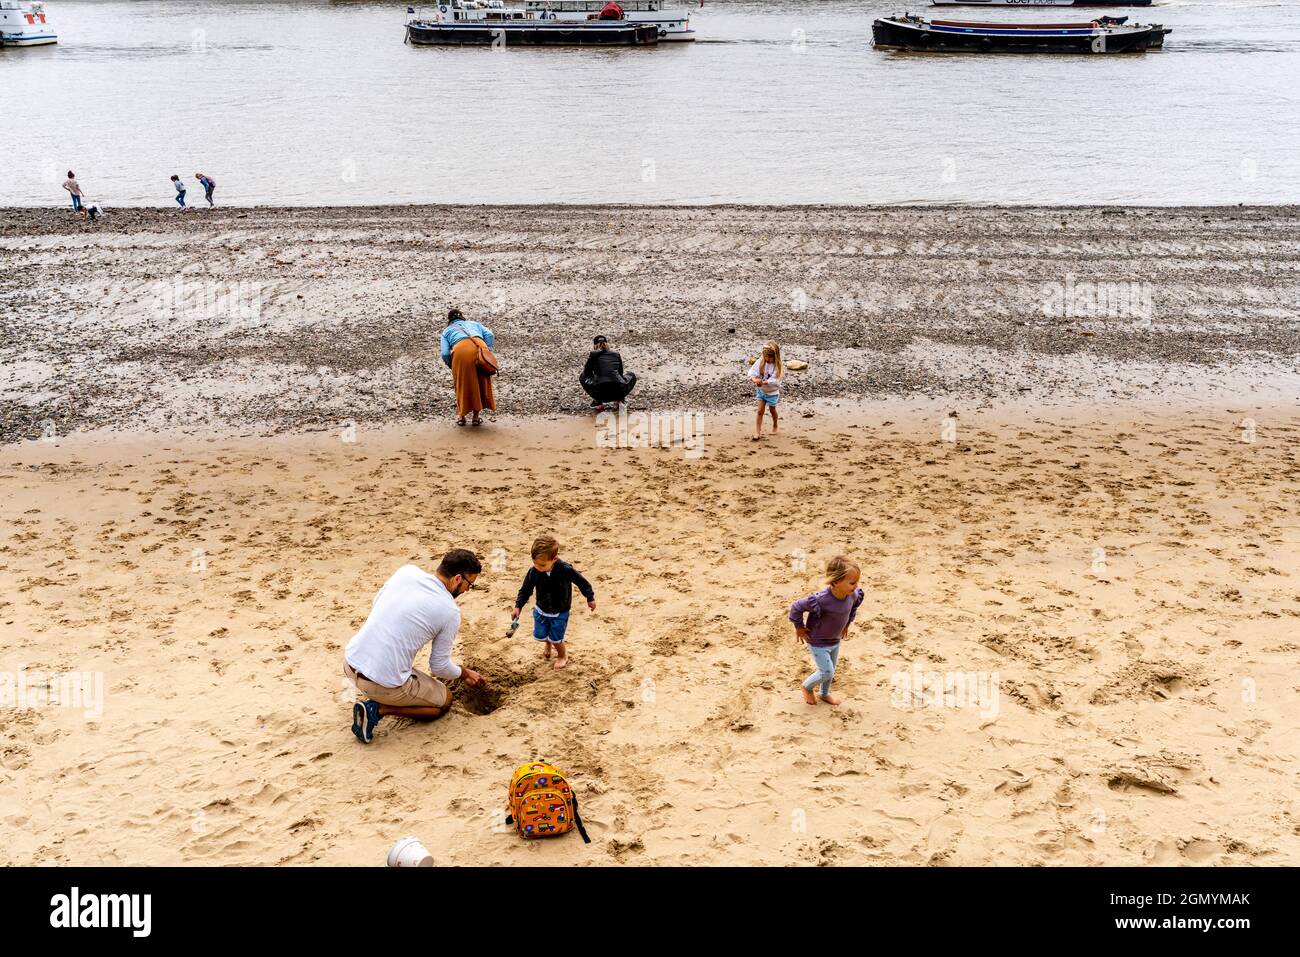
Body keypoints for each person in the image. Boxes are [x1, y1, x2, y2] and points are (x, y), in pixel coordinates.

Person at [344, 549, 487, 744]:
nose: (467, 590)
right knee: (444, 702)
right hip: (381, 684)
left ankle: (380, 696)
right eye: (469, 584)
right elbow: (439, 667)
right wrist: (465, 673)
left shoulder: (406, 572)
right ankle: (377, 710)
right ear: (456, 579)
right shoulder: (450, 611)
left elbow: (376, 602)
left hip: (351, 664)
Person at [511, 535, 595, 671]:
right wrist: (518, 606)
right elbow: (525, 590)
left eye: (542, 565)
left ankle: (562, 655)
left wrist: (590, 597)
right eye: (535, 563)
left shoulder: (565, 569)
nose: (538, 567)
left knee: (556, 638)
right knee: (540, 635)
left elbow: (581, 582)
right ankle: (548, 643)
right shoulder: (534, 572)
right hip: (541, 609)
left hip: (560, 610)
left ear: (554, 559)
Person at [788, 556, 864, 707]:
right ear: (835, 582)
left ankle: (824, 693)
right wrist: (799, 627)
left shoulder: (852, 595)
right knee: (827, 671)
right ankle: (807, 687)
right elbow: (796, 607)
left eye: (857, 582)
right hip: (818, 641)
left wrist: (847, 624)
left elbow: (853, 608)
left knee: (831, 670)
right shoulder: (822, 600)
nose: (856, 586)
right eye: (852, 583)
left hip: (835, 640)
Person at [439, 307, 496, 427]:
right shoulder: (475, 324)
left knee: (462, 384)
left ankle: (462, 417)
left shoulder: (447, 331)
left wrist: (452, 364)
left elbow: (444, 353)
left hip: (461, 352)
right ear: (462, 317)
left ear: (449, 320)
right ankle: (476, 417)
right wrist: (487, 350)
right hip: (480, 347)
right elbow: (490, 334)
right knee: (481, 383)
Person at [579, 335, 637, 410]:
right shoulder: (616, 354)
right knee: (631, 375)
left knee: (582, 376)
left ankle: (598, 402)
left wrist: (595, 377)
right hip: (619, 391)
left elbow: (587, 373)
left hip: (599, 392)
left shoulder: (593, 355)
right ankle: (620, 400)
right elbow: (620, 374)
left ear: (594, 345)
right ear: (606, 344)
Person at [748, 340, 782, 441]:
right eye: (766, 356)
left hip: (772, 393)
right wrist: (755, 380)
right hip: (761, 391)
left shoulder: (777, 365)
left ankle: (775, 424)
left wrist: (765, 382)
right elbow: (752, 373)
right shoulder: (761, 361)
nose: (767, 359)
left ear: (775, 356)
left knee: (772, 410)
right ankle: (757, 432)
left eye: (770, 357)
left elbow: (776, 380)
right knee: (759, 411)